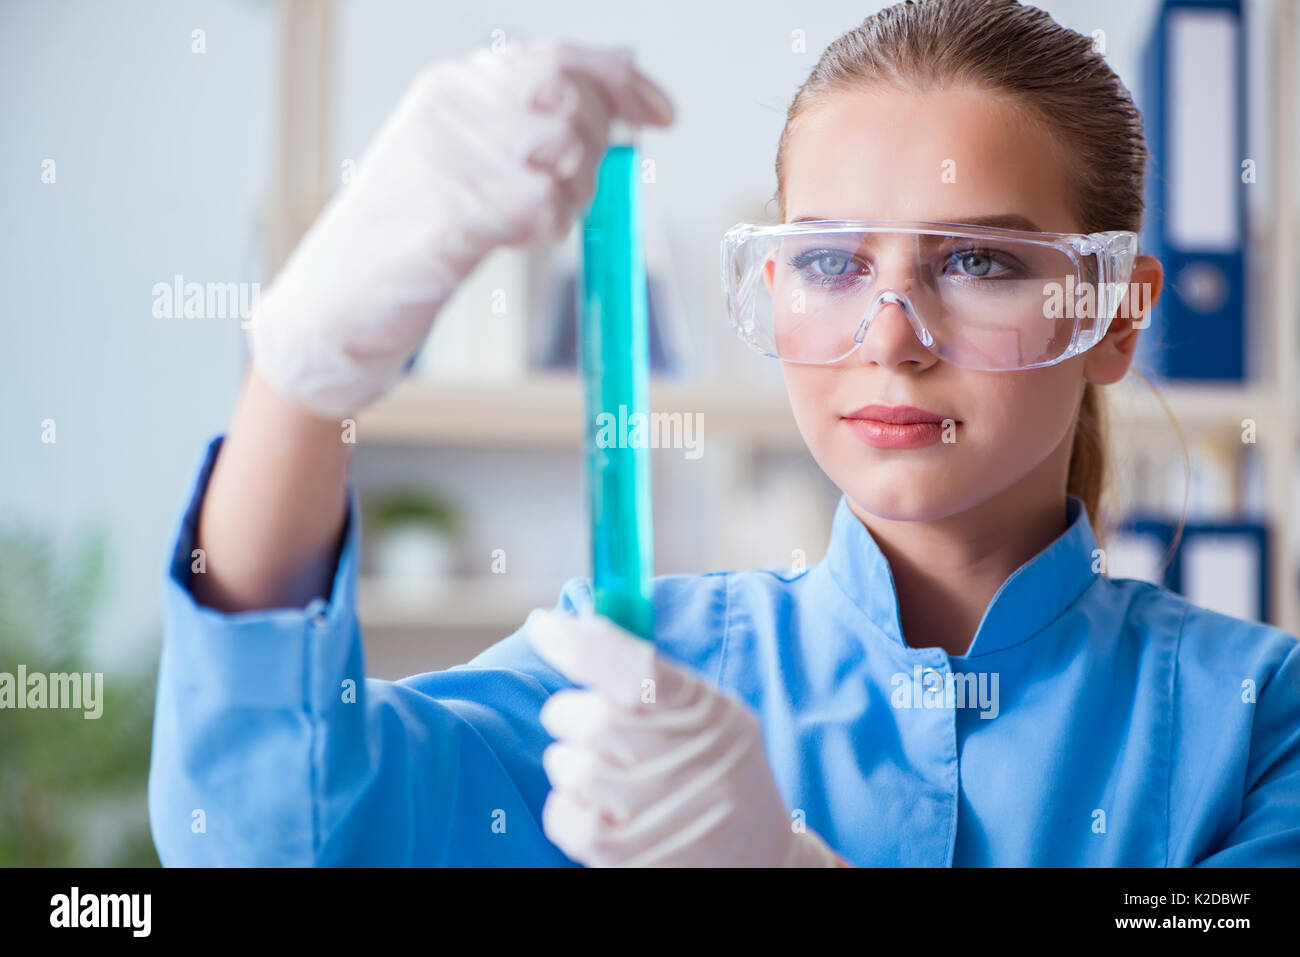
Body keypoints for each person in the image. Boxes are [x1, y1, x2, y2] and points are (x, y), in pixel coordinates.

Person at [148, 0, 1300, 867]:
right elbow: (269, 832)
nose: (888, 339)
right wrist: (301, 375)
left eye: (979, 261)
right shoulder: (636, 680)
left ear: (1113, 313)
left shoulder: (1254, 724)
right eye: (832, 263)